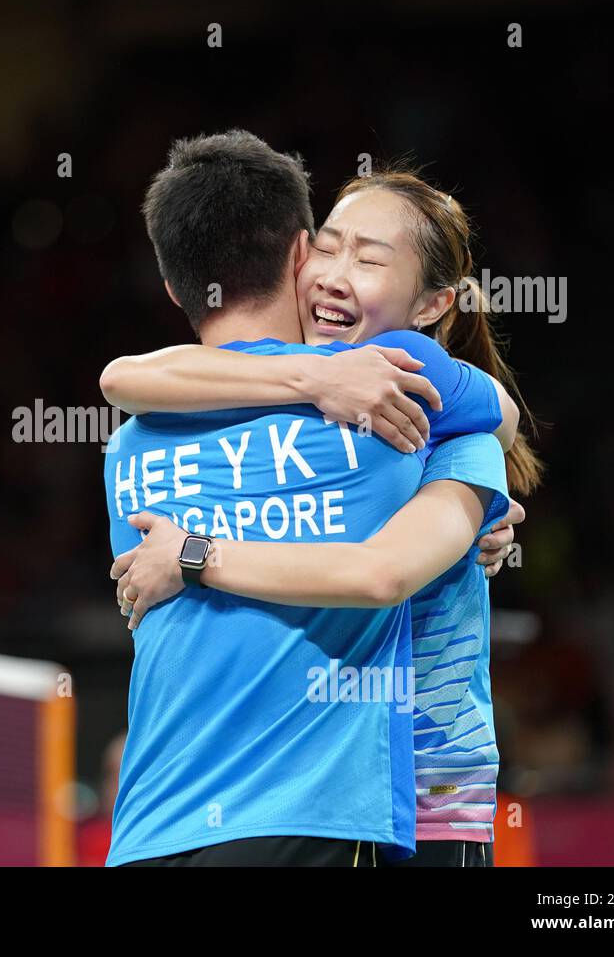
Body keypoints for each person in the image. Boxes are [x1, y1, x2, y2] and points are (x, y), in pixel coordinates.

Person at [101, 131, 518, 866]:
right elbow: (120, 376)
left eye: (369, 258)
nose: (336, 273)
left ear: (432, 304)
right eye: (329, 247)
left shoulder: (408, 376)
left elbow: (499, 418)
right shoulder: (312, 385)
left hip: (432, 800)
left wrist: (478, 488)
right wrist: (310, 377)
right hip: (337, 800)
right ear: (299, 255)